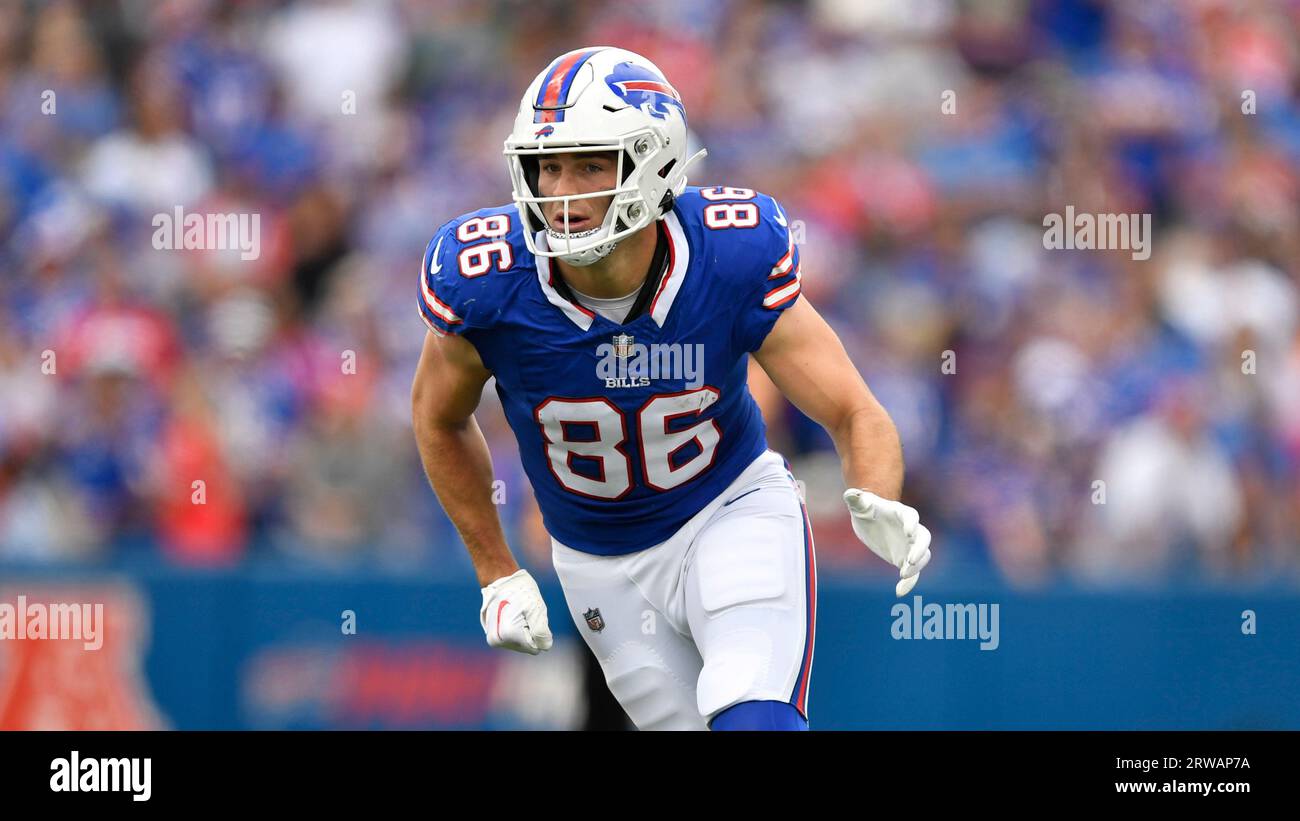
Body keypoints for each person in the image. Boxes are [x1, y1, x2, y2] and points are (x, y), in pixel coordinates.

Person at [411, 46, 931, 730]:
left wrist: (877, 491)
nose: (562, 192)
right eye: (549, 166)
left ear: (654, 162)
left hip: (729, 511)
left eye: (591, 163)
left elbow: (852, 407)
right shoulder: (486, 279)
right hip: (598, 561)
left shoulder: (728, 253)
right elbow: (437, 419)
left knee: (753, 718)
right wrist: (496, 569)